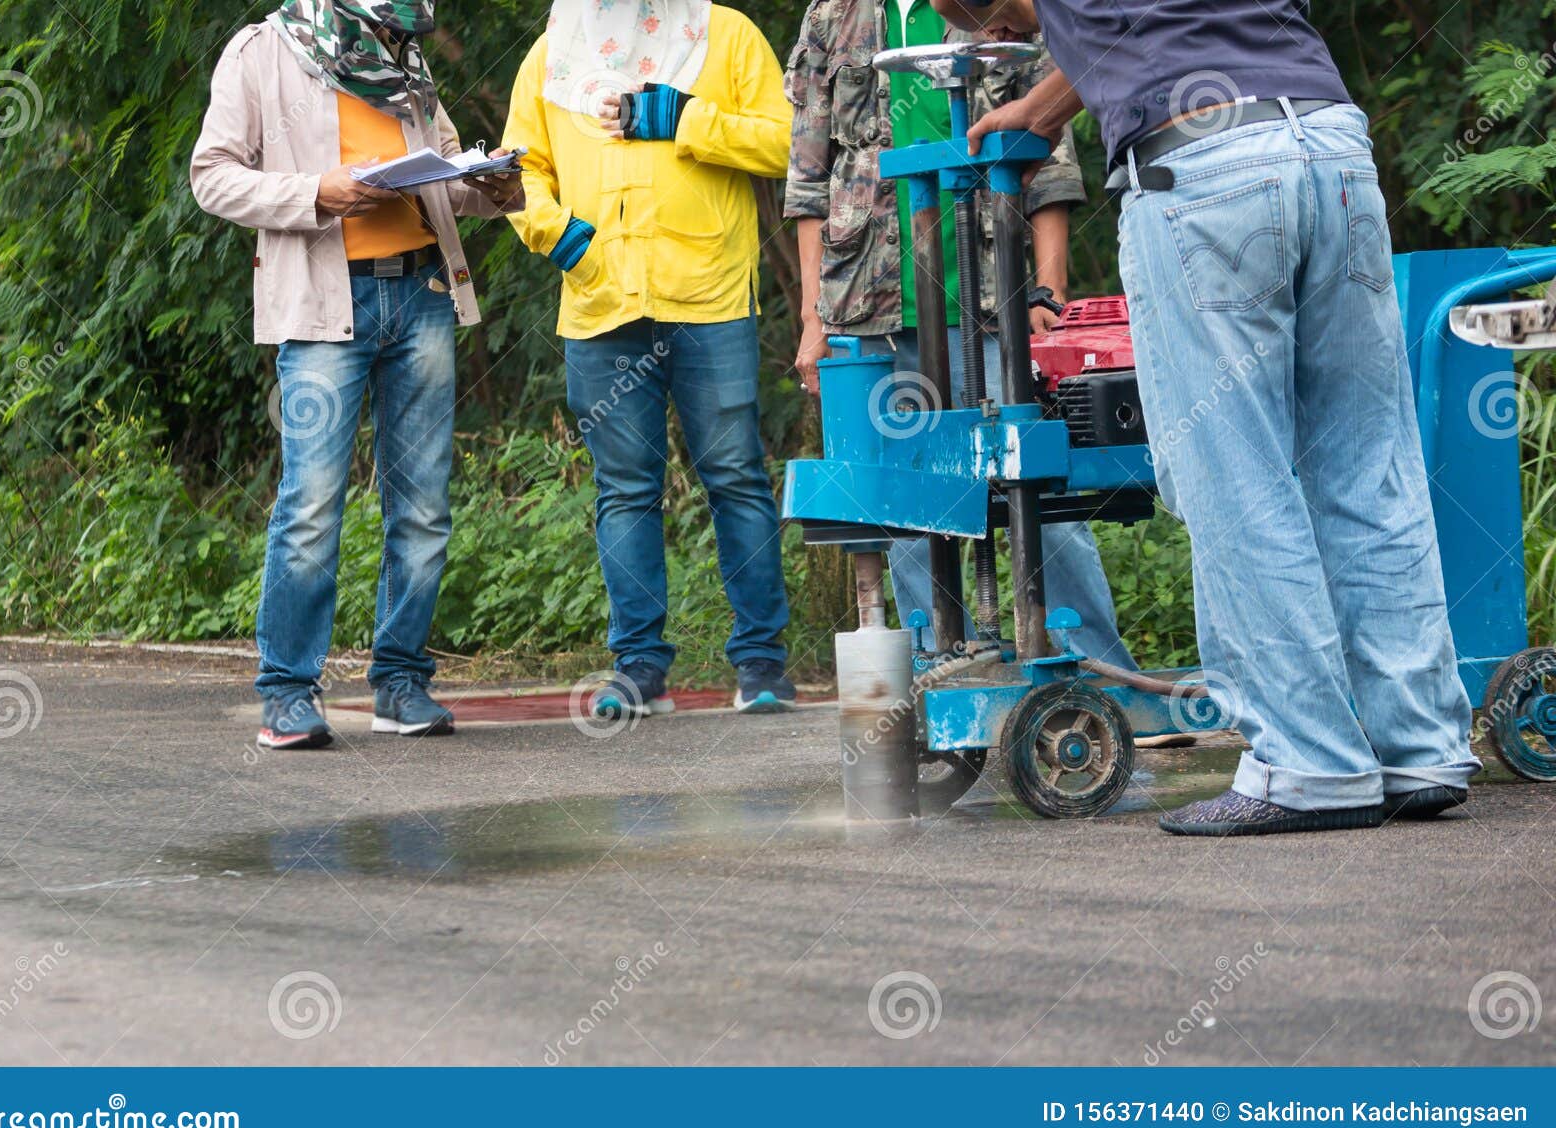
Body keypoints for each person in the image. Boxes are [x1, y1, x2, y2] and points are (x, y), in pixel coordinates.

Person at [938, 0, 1480, 834]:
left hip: (1204, 169)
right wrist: (1045, 106)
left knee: (1234, 472)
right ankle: (1419, 746)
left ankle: (1308, 764)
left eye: (996, 23)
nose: (1010, 34)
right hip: (1330, 145)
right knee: (1369, 463)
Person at [191, 1, 523, 749]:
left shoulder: (402, 54)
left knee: (425, 507)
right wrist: (317, 193)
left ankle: (401, 681)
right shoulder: (263, 50)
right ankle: (287, 691)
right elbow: (211, 178)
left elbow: (440, 177)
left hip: (422, 296)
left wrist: (492, 186)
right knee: (310, 505)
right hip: (322, 305)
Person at [782, 0, 1140, 677]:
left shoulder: (990, 3)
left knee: (1042, 488)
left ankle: (1097, 671)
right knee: (909, 499)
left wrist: (1049, 291)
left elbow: (1051, 154)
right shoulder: (834, 16)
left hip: (989, 289)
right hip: (873, 299)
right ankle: (949, 666)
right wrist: (813, 318)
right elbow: (807, 176)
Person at [505, 1, 797, 718]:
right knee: (624, 489)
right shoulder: (553, 51)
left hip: (710, 299)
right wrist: (555, 235)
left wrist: (688, 119)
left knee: (734, 476)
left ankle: (762, 661)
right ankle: (638, 667)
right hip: (602, 304)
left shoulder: (727, 35)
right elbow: (515, 170)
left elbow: (790, 144)